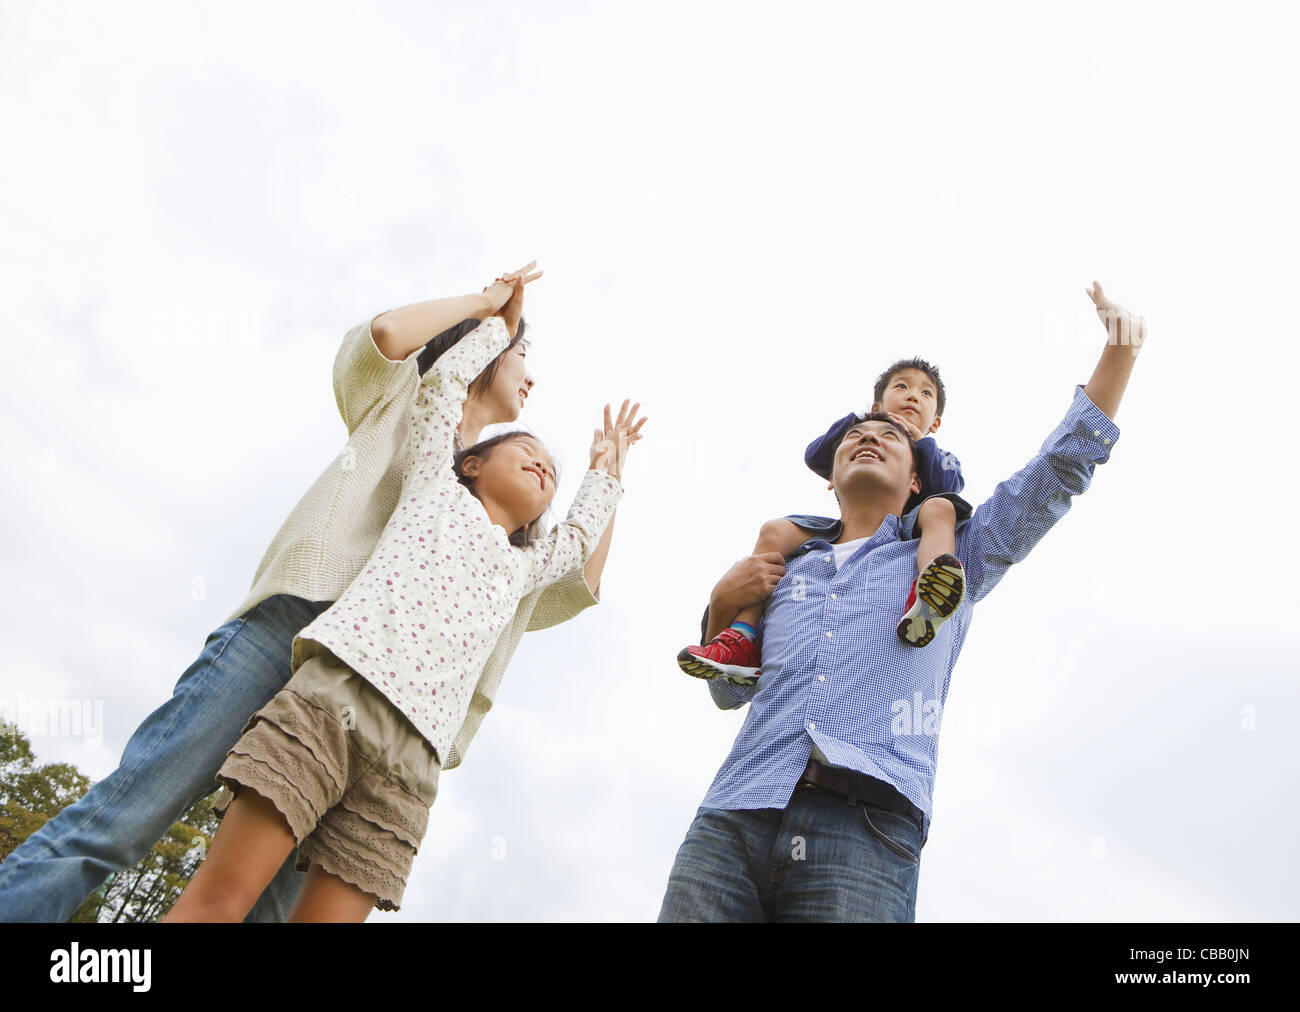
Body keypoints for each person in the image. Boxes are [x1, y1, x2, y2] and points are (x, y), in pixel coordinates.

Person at [0, 262, 616, 922]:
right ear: (483, 343)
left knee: (271, 910)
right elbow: (383, 333)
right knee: (126, 819)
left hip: (391, 706)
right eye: (520, 350)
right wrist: (491, 309)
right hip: (293, 630)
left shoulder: (506, 527)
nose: (530, 368)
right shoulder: (408, 405)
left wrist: (612, 474)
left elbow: (577, 583)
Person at [658, 281, 1145, 922]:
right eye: (856, 433)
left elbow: (1056, 474)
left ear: (915, 477)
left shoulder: (950, 550)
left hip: (865, 827)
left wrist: (1121, 353)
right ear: (831, 475)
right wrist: (722, 604)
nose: (870, 436)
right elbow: (729, 693)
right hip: (733, 817)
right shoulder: (785, 563)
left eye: (889, 438)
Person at [164, 311, 643, 920]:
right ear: (471, 463)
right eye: (525, 449)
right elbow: (443, 388)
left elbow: (576, 543)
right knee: (222, 899)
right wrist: (501, 329)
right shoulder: (432, 489)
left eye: (551, 471)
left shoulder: (524, 568)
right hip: (331, 703)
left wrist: (607, 469)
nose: (543, 464)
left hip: (411, 768)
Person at [677, 359, 969, 687]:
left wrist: (920, 440)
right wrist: (864, 420)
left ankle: (930, 590)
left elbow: (950, 484)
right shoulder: (862, 431)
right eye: (901, 386)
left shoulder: (936, 454)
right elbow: (814, 454)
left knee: (941, 507)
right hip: (845, 528)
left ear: (937, 422)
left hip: (908, 525)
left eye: (925, 393)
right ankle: (742, 637)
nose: (913, 396)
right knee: (773, 530)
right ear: (877, 402)